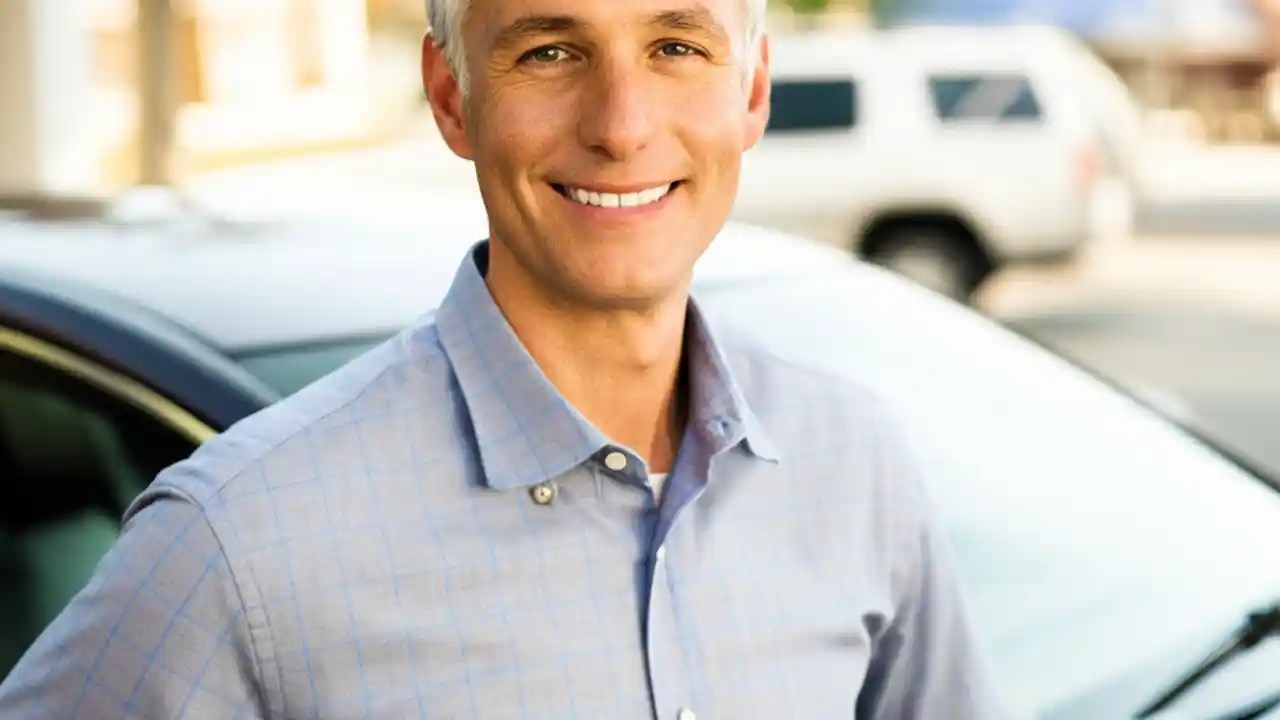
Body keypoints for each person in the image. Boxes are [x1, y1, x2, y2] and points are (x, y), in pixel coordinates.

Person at [0, 0, 1002, 716]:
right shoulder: (236, 546)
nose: (620, 125)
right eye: (550, 51)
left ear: (751, 89)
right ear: (450, 96)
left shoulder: (854, 462)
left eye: (674, 44)